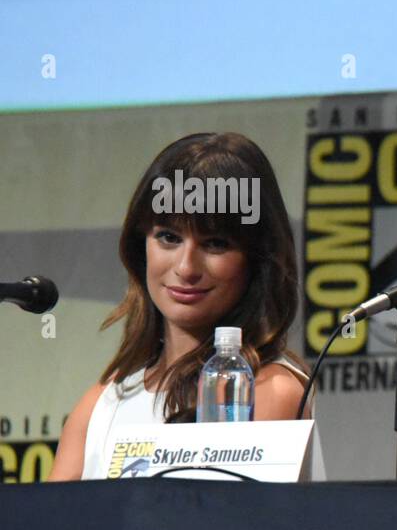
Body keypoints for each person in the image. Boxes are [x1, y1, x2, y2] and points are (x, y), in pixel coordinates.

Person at [49, 132, 311, 481]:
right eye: (169, 237)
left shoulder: (267, 390)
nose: (186, 268)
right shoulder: (100, 403)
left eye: (216, 243)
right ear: (139, 245)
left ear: (257, 259)